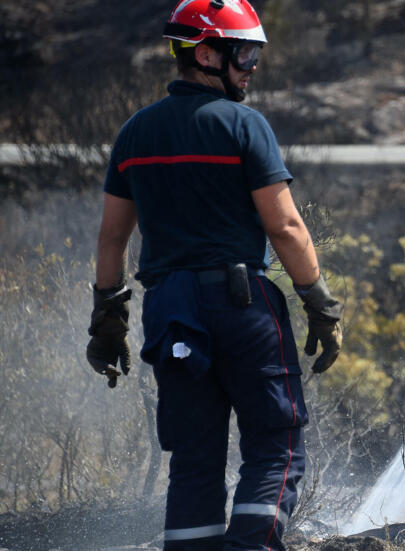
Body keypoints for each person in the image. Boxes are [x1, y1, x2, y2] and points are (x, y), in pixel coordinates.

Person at [85, 1, 342, 549]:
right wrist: (319, 303)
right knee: (276, 441)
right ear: (205, 53)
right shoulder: (244, 125)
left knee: (195, 456)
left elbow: (112, 238)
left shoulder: (136, 133)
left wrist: (107, 316)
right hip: (241, 306)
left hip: (169, 309)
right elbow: (287, 228)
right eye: (244, 52)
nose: (252, 66)